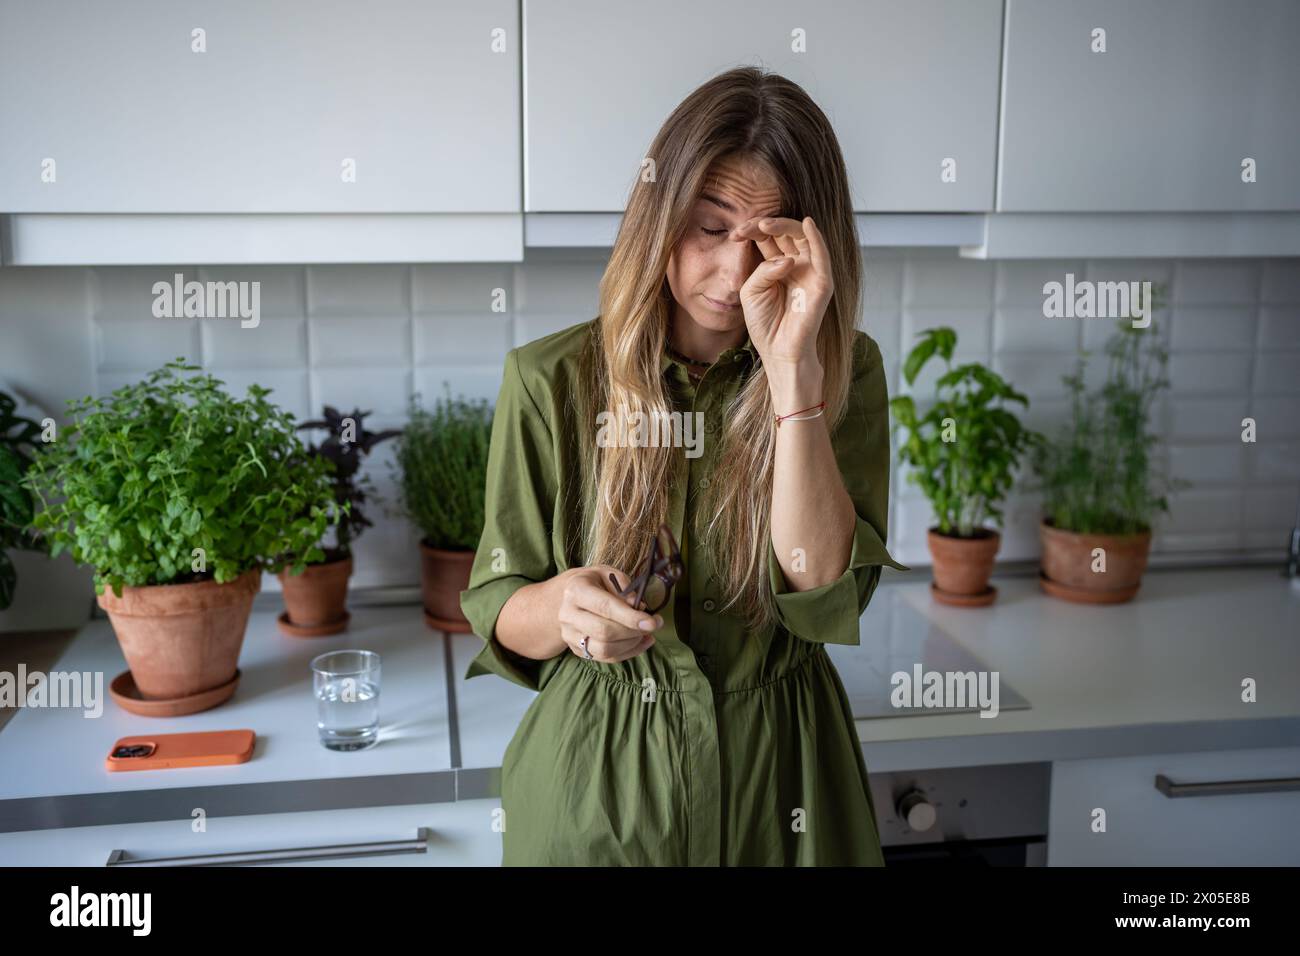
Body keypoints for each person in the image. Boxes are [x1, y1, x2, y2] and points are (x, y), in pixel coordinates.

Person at [459, 65, 909, 866]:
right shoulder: (549, 381)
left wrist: (792, 375)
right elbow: (497, 602)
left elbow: (823, 590)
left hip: (786, 783)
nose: (735, 277)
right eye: (709, 229)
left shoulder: (844, 371)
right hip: (598, 788)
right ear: (658, 218)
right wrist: (563, 607)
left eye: (769, 241)